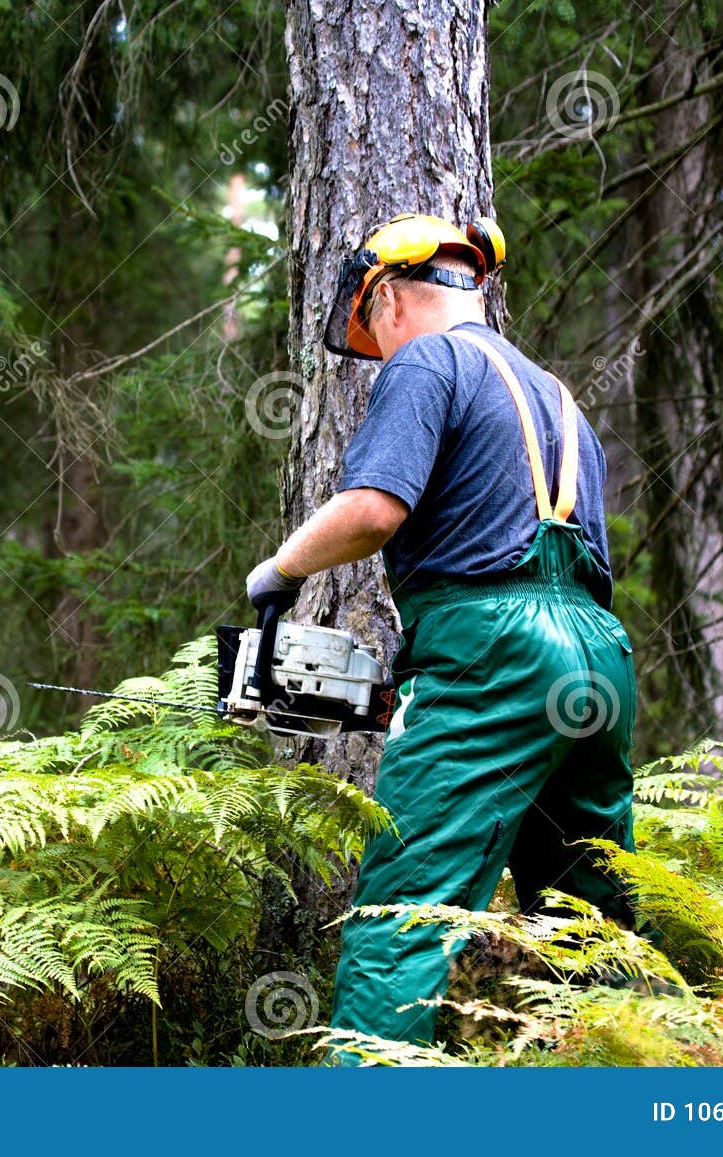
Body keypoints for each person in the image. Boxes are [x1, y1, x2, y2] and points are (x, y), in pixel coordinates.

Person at [245, 213, 639, 1054]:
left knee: (405, 907)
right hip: (600, 662)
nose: (379, 354)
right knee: (591, 919)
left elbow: (372, 510)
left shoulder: (429, 360)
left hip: (492, 653)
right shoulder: (560, 400)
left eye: (371, 333)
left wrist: (280, 570)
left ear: (386, 297)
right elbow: (551, 572)